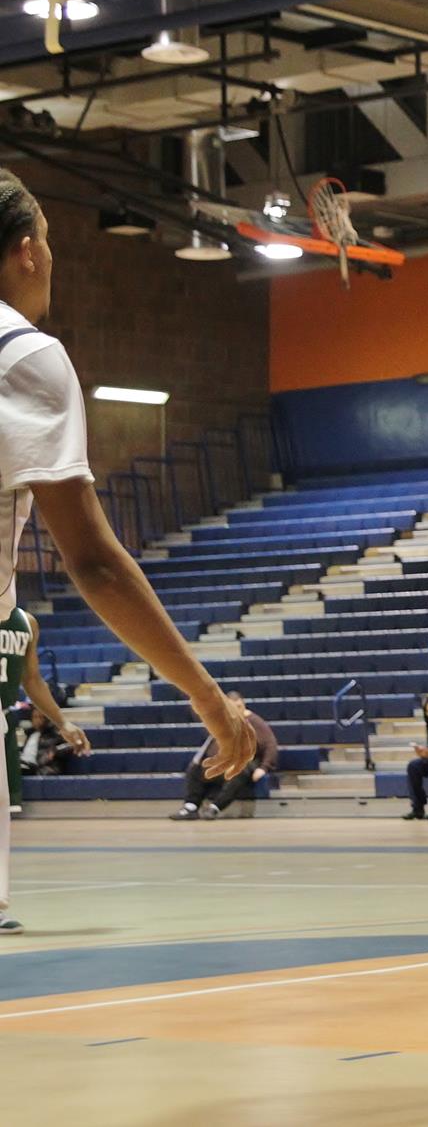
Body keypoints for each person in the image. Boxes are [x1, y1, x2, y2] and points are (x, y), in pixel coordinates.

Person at [0, 171, 253, 808]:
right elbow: (94, 564)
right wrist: (206, 695)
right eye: (49, 242)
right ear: (27, 250)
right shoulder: (23, 353)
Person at [0, 607, 88, 932]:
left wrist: (62, 722)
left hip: (3, 722)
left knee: (1, 815)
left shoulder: (26, 622)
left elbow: (33, 679)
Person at [171, 692, 279, 821]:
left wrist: (263, 768)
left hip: (242, 762)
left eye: (238, 707)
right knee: (195, 767)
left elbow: (270, 744)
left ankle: (215, 808)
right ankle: (191, 807)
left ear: (243, 705)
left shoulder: (255, 722)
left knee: (240, 769)